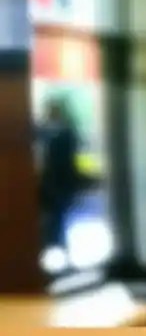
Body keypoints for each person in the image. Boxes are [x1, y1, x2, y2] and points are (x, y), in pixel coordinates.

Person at [36, 98, 84, 257]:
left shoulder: (61, 132)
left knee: (55, 216)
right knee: (55, 216)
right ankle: (57, 246)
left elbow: (64, 159)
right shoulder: (61, 131)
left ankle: (56, 246)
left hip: (56, 181)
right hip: (55, 181)